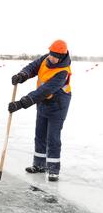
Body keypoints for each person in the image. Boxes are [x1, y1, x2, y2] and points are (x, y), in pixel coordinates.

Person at [8, 40, 71, 182]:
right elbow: (32, 67)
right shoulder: (45, 59)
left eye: (55, 56)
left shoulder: (63, 72)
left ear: (61, 57)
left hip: (58, 105)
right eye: (51, 54)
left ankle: (53, 170)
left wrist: (21, 103)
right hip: (43, 103)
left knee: (53, 137)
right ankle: (39, 165)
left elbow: (44, 90)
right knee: (40, 134)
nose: (51, 58)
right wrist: (22, 75)